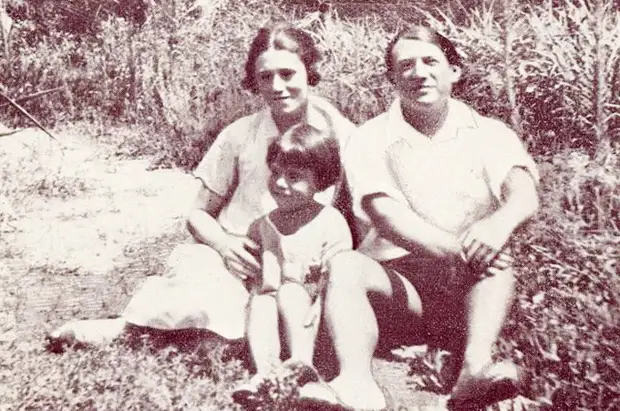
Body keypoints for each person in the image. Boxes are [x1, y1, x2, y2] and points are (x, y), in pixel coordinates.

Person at [46, 22, 355, 352]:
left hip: (297, 265)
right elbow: (197, 215)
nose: (277, 86)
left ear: (309, 70)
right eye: (266, 76)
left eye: (288, 74)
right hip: (238, 253)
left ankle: (155, 336)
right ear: (254, 80)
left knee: (252, 325)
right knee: (201, 293)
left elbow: (355, 219)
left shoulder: (340, 134)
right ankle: (127, 330)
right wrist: (224, 245)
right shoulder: (240, 135)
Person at [299, 25, 540, 410]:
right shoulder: (368, 138)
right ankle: (355, 385)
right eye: (405, 65)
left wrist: (497, 224)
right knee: (345, 265)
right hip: (398, 286)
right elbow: (386, 214)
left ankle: (474, 370)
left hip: (469, 286)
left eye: (431, 61)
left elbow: (523, 194)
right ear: (391, 77)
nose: (418, 72)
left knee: (497, 256)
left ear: (454, 72)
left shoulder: (490, 133)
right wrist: (456, 248)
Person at [231, 123, 352, 406]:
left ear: (319, 181)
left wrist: (322, 303)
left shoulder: (329, 222)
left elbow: (340, 275)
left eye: (294, 177)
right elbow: (250, 270)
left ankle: (301, 367)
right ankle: (267, 372)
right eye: (275, 173)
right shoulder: (263, 225)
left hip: (315, 319)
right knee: (262, 300)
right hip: (271, 324)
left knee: (291, 291)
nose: (281, 184)